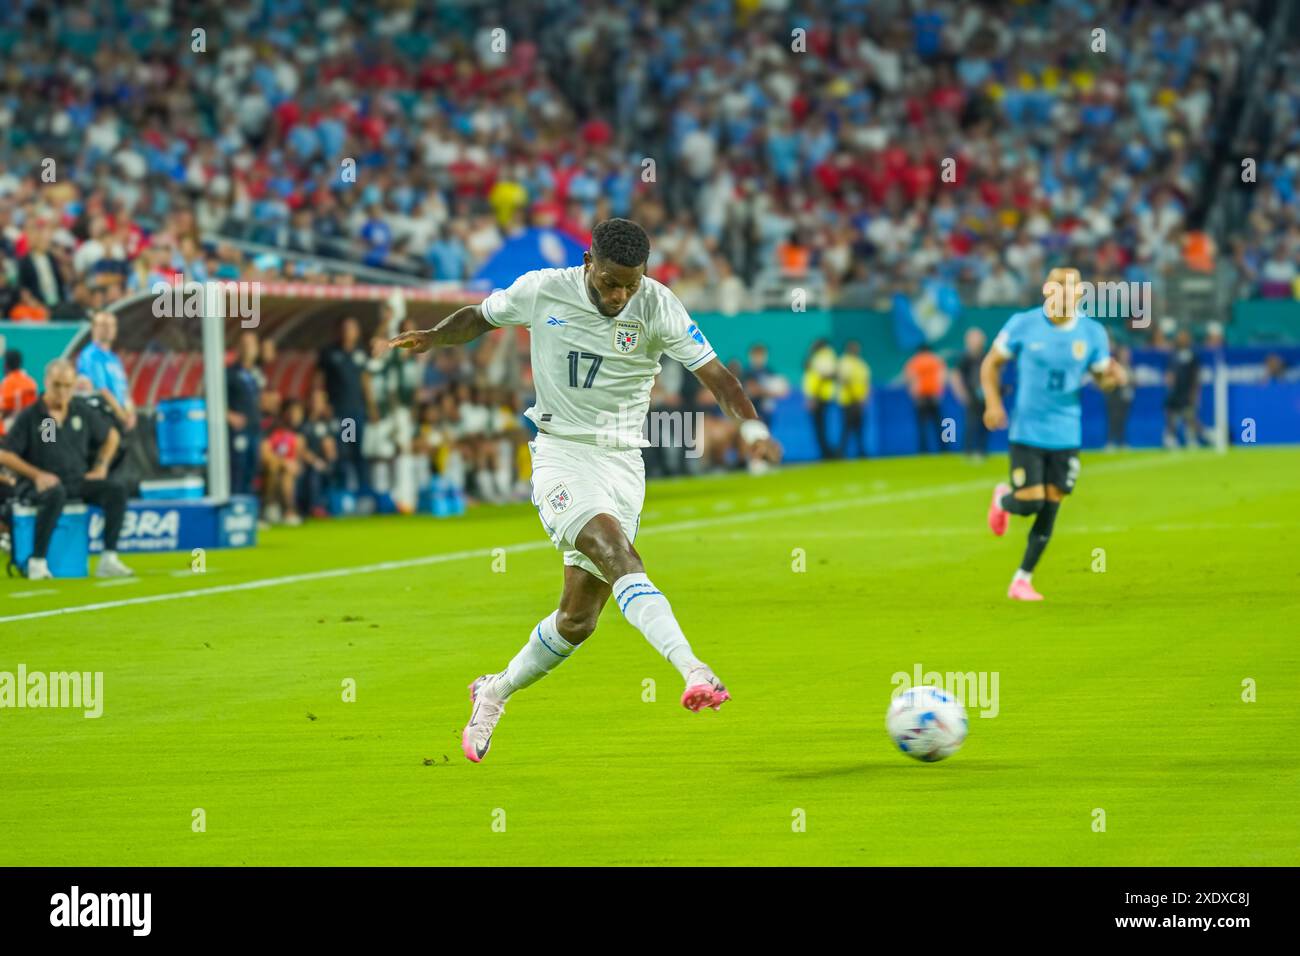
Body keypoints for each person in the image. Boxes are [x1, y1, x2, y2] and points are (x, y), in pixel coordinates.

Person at [390, 218, 779, 763]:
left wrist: (754, 432)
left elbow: (720, 380)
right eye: (611, 282)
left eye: (631, 284)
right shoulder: (544, 288)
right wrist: (435, 336)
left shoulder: (659, 305)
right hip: (562, 454)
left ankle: (494, 691)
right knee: (620, 555)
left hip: (623, 465)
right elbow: (479, 318)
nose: (620, 295)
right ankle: (693, 669)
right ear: (589, 262)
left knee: (578, 620)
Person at [982, 267, 1127, 601]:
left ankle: (1022, 579)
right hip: (1027, 430)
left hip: (1066, 433)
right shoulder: (1023, 324)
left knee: (1051, 503)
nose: (1064, 291)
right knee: (1030, 502)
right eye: (1058, 284)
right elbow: (991, 363)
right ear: (1047, 290)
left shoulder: (1092, 332)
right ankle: (1003, 499)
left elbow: (1101, 378)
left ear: (1080, 294)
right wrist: (992, 403)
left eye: (1071, 286)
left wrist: (1115, 377)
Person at [0, 358, 133, 579]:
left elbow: (112, 435)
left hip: (75, 480)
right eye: (57, 385)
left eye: (68, 386)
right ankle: (37, 561)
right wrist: (37, 475)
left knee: (115, 490)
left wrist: (101, 467)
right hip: (37, 485)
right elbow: (5, 454)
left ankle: (109, 557)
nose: (62, 392)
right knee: (55, 493)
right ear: (46, 382)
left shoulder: (80, 411)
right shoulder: (34, 415)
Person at [318, 317, 374, 493]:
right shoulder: (330, 353)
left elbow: (365, 381)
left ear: (357, 332)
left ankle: (362, 490)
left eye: (351, 329)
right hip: (342, 412)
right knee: (344, 451)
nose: (347, 332)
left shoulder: (360, 353)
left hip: (357, 410)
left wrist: (371, 407)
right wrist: (323, 402)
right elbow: (318, 380)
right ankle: (343, 490)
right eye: (344, 328)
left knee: (359, 451)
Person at [75, 310, 135, 431]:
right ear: (93, 328)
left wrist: (130, 412)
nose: (108, 329)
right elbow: (101, 389)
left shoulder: (114, 358)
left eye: (112, 325)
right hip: (103, 416)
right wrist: (121, 415)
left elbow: (124, 389)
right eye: (103, 325)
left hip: (119, 416)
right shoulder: (90, 355)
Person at [226, 330, 261, 496]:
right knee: (238, 468)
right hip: (238, 431)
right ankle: (236, 506)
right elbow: (212, 398)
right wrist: (228, 415)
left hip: (255, 427)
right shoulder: (229, 373)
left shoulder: (257, 374)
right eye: (245, 345)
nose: (249, 349)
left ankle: (250, 507)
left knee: (252, 468)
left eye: (252, 345)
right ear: (238, 348)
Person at [952, 328, 989, 460]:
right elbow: (956, 375)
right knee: (971, 424)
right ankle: (967, 451)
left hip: (985, 396)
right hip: (972, 395)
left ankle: (982, 451)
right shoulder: (965, 357)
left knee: (985, 424)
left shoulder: (985, 356)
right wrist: (961, 393)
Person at [1163, 328, 1203, 448]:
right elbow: (1169, 371)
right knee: (1171, 414)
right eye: (1180, 337)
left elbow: (1196, 375)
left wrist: (1195, 392)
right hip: (1175, 391)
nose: (1182, 339)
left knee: (1189, 416)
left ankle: (1191, 438)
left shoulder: (1193, 355)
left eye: (1184, 337)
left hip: (1187, 391)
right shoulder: (1173, 354)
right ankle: (1170, 437)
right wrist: (1169, 379)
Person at [904, 342, 947, 453]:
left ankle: (923, 450)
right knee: (939, 424)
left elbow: (909, 378)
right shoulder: (936, 360)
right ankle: (944, 449)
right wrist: (940, 392)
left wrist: (913, 393)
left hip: (920, 396)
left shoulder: (914, 361)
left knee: (922, 425)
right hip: (933, 395)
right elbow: (941, 377)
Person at [802, 339, 837, 459]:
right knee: (821, 427)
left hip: (819, 397)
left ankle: (827, 453)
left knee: (820, 428)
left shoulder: (822, 358)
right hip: (819, 396)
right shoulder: (823, 357)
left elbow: (822, 377)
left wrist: (814, 397)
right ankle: (828, 452)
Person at [836, 340, 871, 458]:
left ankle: (861, 451)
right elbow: (844, 380)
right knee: (847, 427)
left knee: (859, 427)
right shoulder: (844, 362)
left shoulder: (861, 363)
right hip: (848, 400)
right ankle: (841, 452)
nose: (857, 350)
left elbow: (866, 382)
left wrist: (864, 398)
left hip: (859, 400)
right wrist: (855, 397)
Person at [1104, 343, 1135, 450]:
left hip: (1125, 399)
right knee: (1113, 420)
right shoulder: (1115, 366)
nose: (1126, 356)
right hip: (1114, 398)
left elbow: (1132, 382)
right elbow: (1108, 382)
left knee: (1123, 421)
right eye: (1124, 354)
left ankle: (1122, 442)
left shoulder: (1130, 367)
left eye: (1128, 354)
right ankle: (1110, 442)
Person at [0, 349, 38, 436]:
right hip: (30, 428)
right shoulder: (31, 381)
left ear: (6, 364)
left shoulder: (8, 382)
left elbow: (4, 409)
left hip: (10, 431)